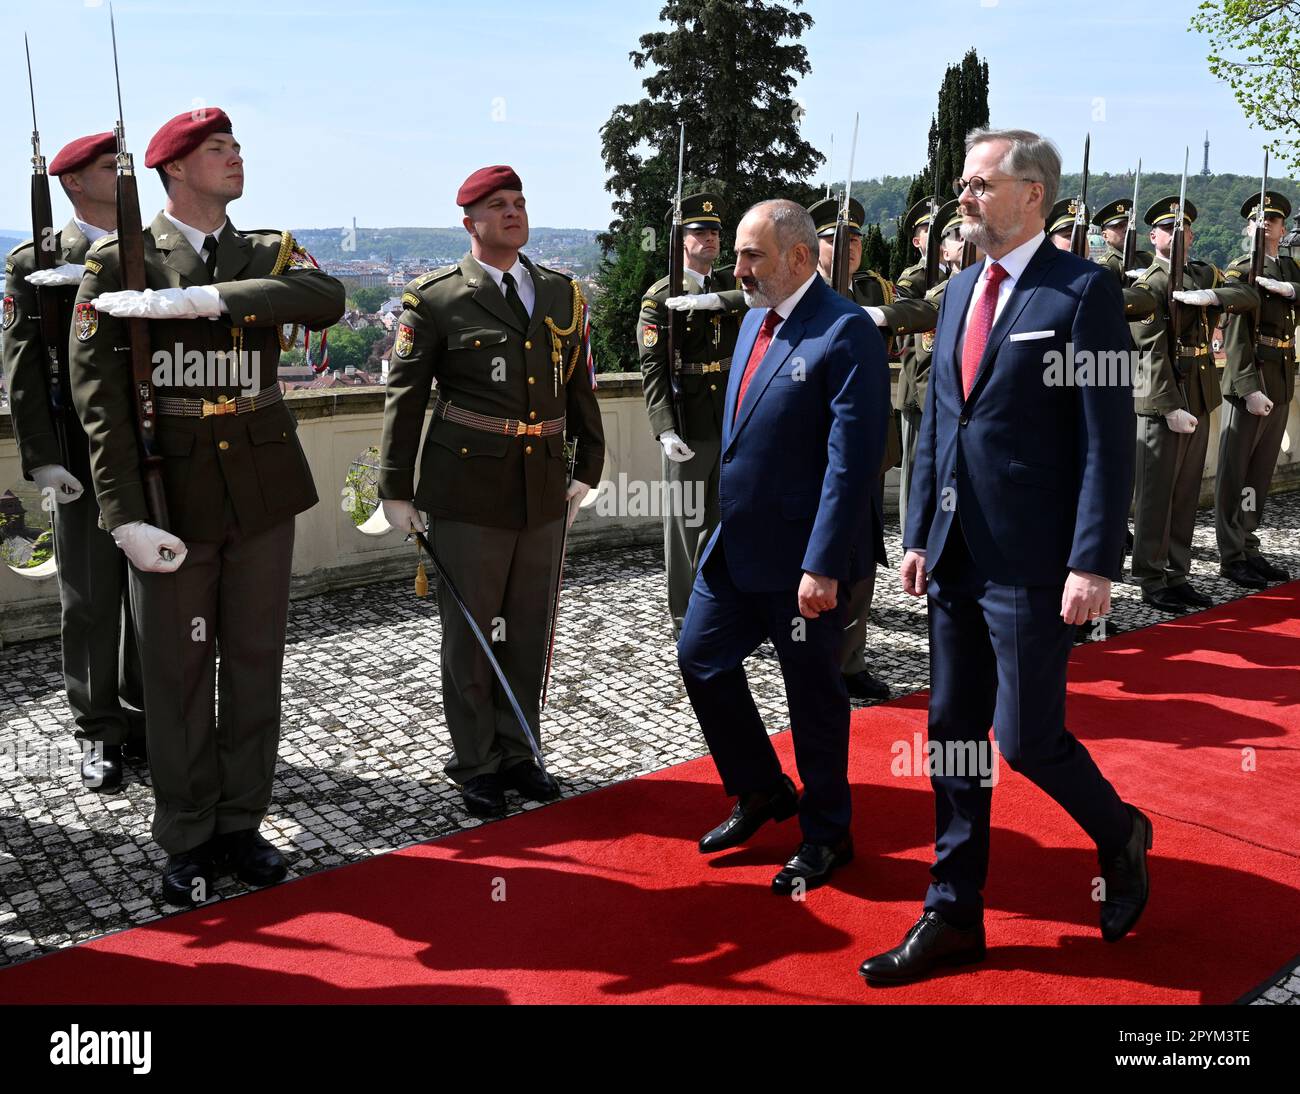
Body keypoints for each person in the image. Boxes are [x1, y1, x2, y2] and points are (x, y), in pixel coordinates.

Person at [860, 128, 1151, 985]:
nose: (964, 196)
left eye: (980, 183)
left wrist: (1093, 561)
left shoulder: (1083, 292)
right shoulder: (956, 292)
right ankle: (952, 913)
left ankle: (1119, 830)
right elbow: (942, 424)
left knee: (1025, 739)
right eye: (963, 183)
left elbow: (1108, 440)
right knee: (953, 736)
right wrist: (917, 531)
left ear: (1033, 194)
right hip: (955, 554)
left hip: (1034, 560)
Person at [68, 108, 345, 905]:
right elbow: (101, 405)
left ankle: (240, 822)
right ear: (174, 169)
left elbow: (321, 298)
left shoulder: (267, 250)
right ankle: (186, 836)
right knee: (177, 674)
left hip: (260, 492)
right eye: (217, 149)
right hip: (171, 493)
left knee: (255, 665)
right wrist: (123, 515)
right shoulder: (118, 265)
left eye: (235, 146)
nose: (235, 157)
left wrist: (206, 302)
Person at [379, 165, 605, 820]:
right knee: (473, 636)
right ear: (469, 222)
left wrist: (588, 464)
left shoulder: (564, 294)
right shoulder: (437, 299)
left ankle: (519, 751)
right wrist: (396, 490)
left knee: (528, 630)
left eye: (519, 203)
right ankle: (475, 763)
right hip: (466, 492)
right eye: (497, 206)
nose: (513, 213)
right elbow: (407, 398)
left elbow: (578, 388)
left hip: (541, 490)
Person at [676, 199, 889, 894]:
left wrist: (823, 562)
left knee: (813, 698)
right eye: (738, 254)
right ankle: (763, 790)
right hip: (736, 547)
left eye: (751, 256)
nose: (737, 269)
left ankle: (829, 833)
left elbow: (852, 461)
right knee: (700, 657)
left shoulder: (846, 330)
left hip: (805, 560)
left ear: (800, 259)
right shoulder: (750, 321)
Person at [2, 131, 145, 791]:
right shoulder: (39, 258)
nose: (123, 176)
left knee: (155, 596)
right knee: (89, 600)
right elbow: (24, 366)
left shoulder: (152, 247)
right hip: (80, 457)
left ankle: (148, 720)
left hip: (152, 453)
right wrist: (40, 460)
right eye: (110, 168)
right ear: (74, 183)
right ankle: (99, 732)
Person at [1126, 198, 1252, 611]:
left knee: (1184, 494)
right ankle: (1151, 576)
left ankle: (1177, 573)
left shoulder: (1202, 273)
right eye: (1170, 231)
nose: (1180, 238)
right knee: (1156, 496)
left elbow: (1246, 295)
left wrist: (1212, 298)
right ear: (1155, 237)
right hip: (1164, 402)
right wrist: (1168, 405)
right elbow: (1151, 351)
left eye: (1186, 232)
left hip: (1198, 395)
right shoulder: (1150, 284)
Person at [636, 192, 746, 638]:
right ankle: (684, 615)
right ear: (681, 239)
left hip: (727, 419)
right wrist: (663, 428)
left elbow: (760, 299)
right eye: (701, 232)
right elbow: (652, 368)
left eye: (717, 232)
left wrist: (717, 301)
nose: (711, 239)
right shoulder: (662, 296)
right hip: (688, 419)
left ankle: (719, 603)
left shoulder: (728, 286)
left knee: (725, 520)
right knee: (685, 527)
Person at [806, 194, 894, 702]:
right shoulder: (799, 289)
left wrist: (879, 313)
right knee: (815, 553)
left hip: (866, 440)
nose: (848, 247)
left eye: (855, 238)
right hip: (814, 444)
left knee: (862, 556)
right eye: (835, 238)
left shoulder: (873, 288)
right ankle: (811, 654)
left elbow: (923, 306)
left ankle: (850, 658)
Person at [1214, 191, 1299, 587]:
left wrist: (1291, 290)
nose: (1266, 224)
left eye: (1274, 219)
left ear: (1283, 229)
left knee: (1259, 473)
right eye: (1258, 219)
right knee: (1236, 472)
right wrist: (1249, 387)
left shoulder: (1286, 267)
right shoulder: (1241, 269)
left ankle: (1248, 543)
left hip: (1280, 379)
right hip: (1252, 380)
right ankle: (1231, 556)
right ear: (1249, 226)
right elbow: (1235, 336)